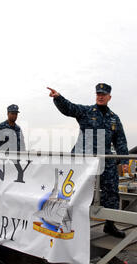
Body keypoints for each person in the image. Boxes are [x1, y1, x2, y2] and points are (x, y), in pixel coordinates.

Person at [47, 83, 129, 238]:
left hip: (105, 159)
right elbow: (69, 108)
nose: (100, 96)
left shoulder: (114, 119)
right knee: (78, 191)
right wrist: (58, 98)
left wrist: (124, 161)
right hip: (85, 159)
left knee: (111, 191)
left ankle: (110, 225)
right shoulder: (86, 112)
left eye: (103, 94)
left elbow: (120, 141)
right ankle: (70, 222)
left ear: (109, 97)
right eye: (98, 94)